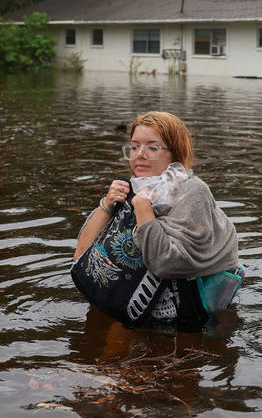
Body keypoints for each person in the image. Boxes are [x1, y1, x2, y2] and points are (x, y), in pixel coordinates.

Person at [72, 111, 239, 328]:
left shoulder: (192, 191)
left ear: (175, 153)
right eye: (134, 147)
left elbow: (167, 263)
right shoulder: (132, 187)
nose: (140, 154)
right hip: (129, 308)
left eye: (152, 147)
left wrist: (143, 208)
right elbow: (81, 255)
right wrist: (107, 204)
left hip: (182, 322)